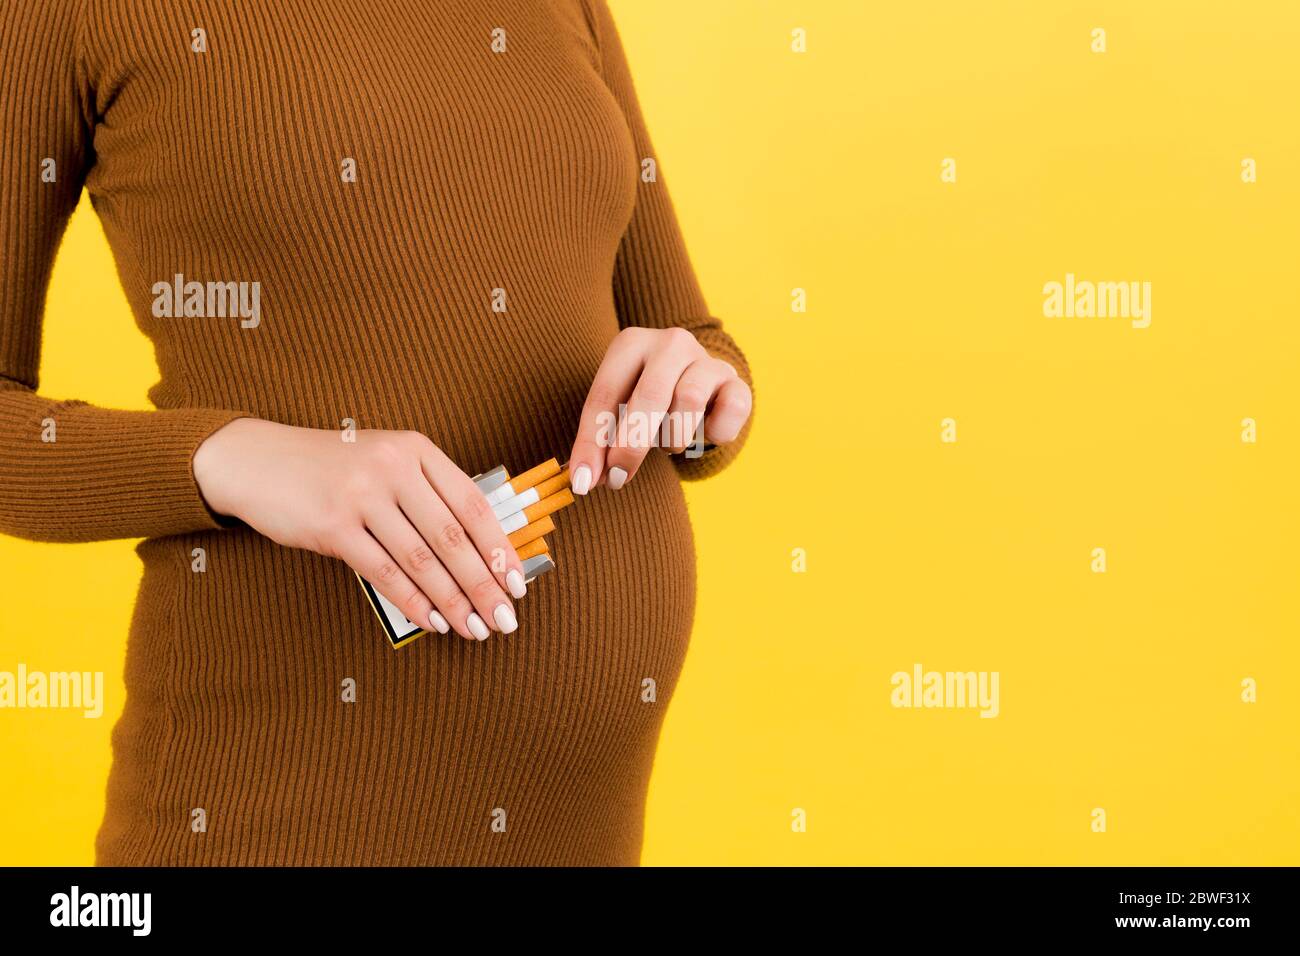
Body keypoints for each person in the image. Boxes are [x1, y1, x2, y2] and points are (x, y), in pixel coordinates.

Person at [0, 0, 752, 865]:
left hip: (585, 821)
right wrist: (234, 457)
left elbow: (691, 335)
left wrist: (696, 386)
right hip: (285, 798)